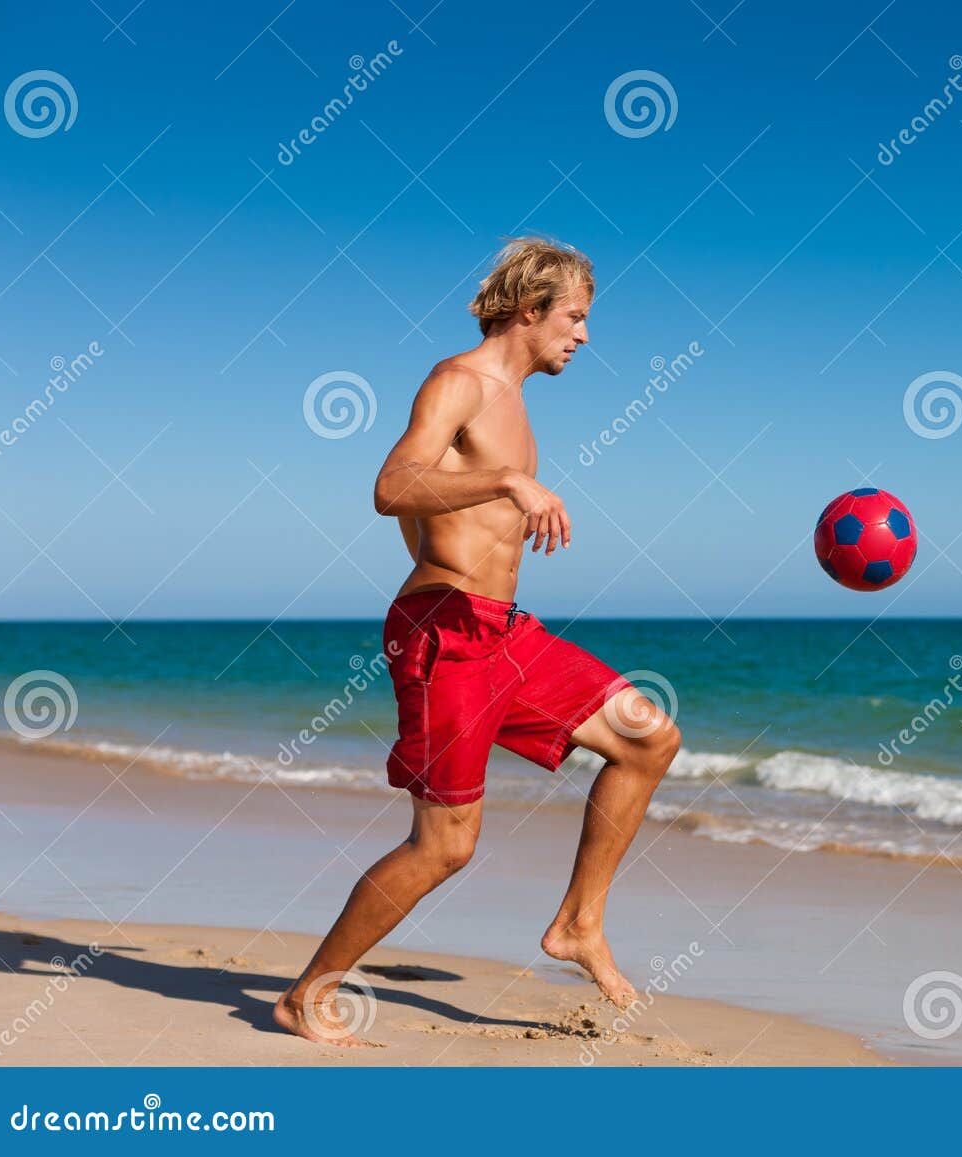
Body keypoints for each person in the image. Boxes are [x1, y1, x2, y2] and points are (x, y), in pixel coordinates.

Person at [274, 238, 680, 1046]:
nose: (584, 336)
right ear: (531, 311)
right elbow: (392, 487)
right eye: (575, 318)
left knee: (647, 736)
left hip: (501, 629)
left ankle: (577, 923)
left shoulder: (517, 403)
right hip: (443, 633)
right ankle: (305, 993)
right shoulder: (458, 380)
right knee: (445, 845)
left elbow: (433, 512)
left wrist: (476, 522)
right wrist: (503, 482)